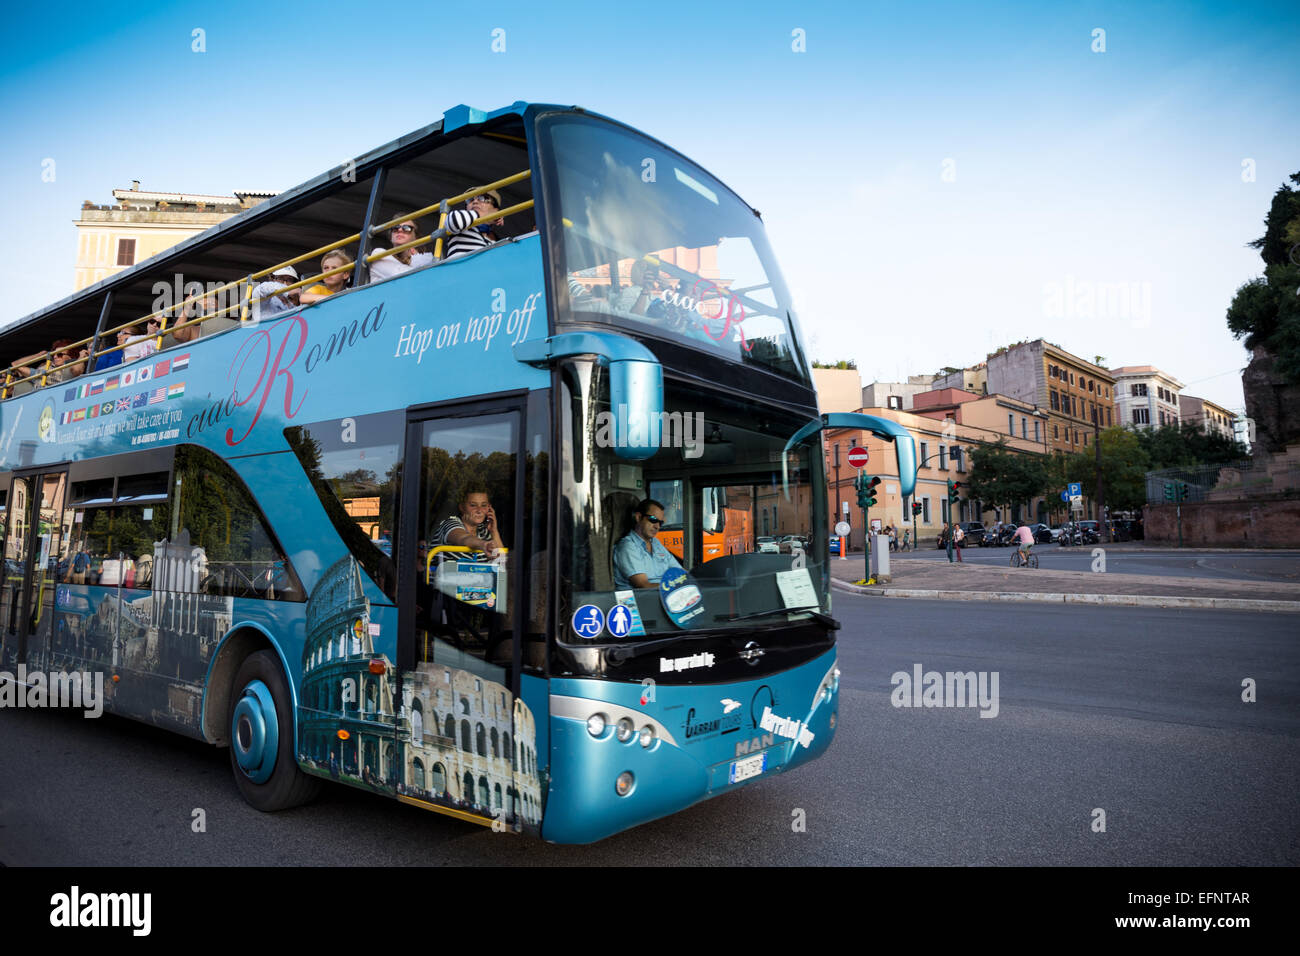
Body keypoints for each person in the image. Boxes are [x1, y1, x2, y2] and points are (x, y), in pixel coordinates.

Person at [613, 498, 683, 589]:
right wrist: (676, 586)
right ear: (638, 517)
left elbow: (680, 572)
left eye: (660, 523)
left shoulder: (656, 543)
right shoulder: (627, 547)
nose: (657, 526)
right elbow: (643, 585)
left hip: (664, 594)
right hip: (642, 598)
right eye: (653, 520)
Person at [431, 488, 506, 560]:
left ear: (489, 508)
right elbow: (463, 538)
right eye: (473, 505)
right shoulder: (450, 523)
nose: (479, 510)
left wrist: (494, 531)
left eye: (483, 505)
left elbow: (501, 563)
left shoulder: (484, 532)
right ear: (462, 507)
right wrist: (483, 545)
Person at [443, 189, 504, 260]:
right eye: (470, 199)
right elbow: (454, 219)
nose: (475, 202)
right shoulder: (463, 227)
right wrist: (481, 214)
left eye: (483, 198)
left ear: (496, 210)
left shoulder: (495, 242)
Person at [369, 219, 434, 281]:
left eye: (407, 228)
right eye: (395, 227)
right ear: (391, 236)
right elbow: (406, 278)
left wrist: (416, 258)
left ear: (416, 237)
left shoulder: (425, 260)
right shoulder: (379, 253)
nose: (399, 230)